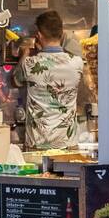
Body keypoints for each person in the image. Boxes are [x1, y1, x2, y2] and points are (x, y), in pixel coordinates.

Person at [13, 9, 91, 149]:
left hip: (38, 144)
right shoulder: (77, 63)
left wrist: (25, 54)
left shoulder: (30, 64)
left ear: (39, 36)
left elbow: (17, 80)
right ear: (63, 35)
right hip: (67, 144)